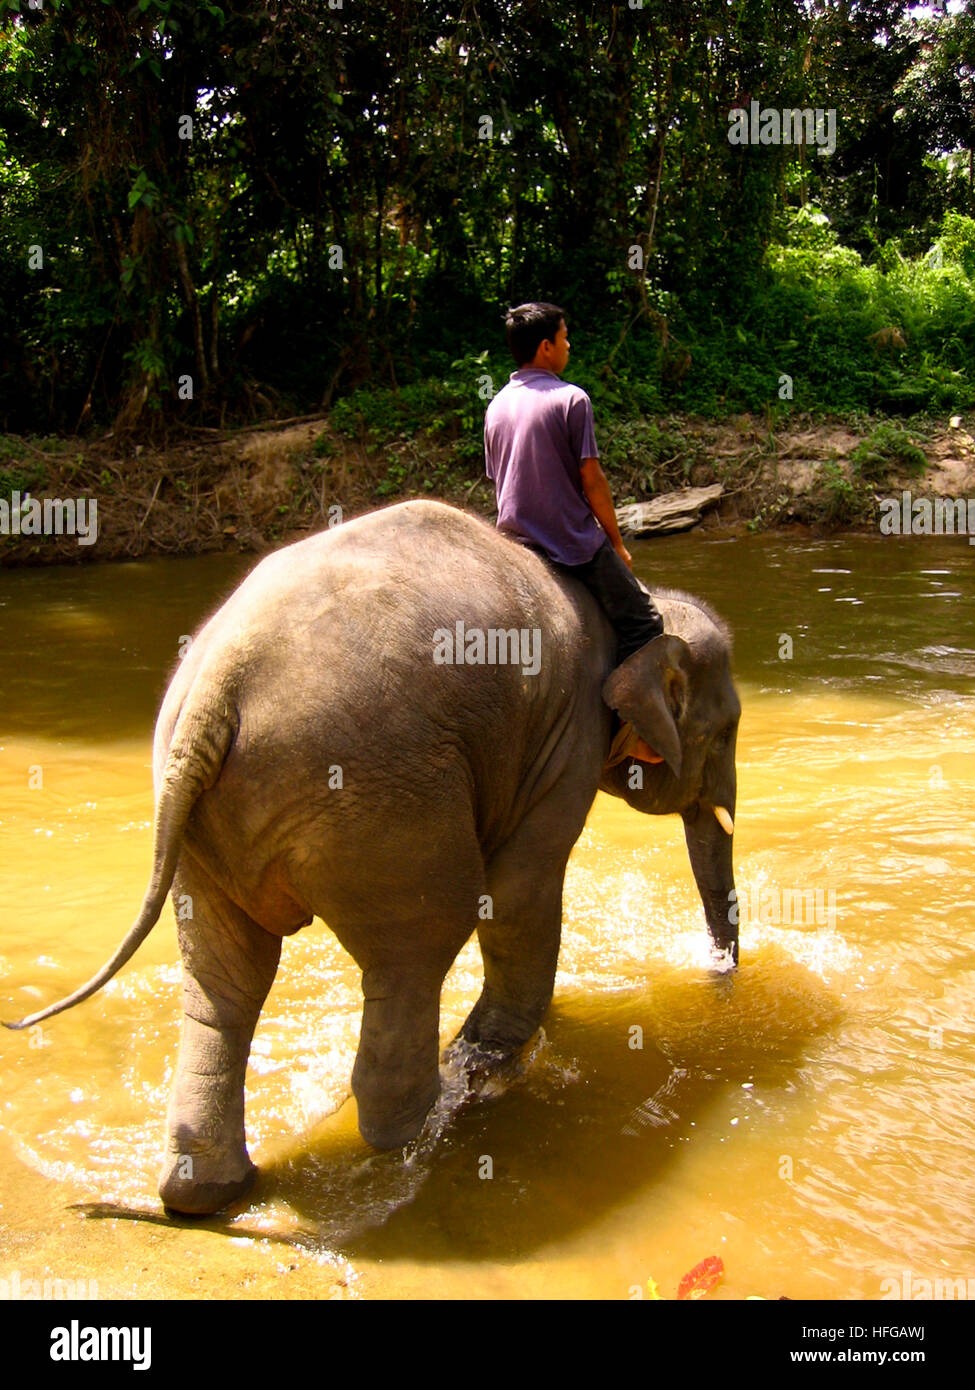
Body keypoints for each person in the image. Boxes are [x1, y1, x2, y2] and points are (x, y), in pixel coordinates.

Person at [484, 300, 665, 668]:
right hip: (569, 541)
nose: (569, 346)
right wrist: (615, 543)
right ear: (546, 347)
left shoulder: (496, 406)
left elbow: (499, 480)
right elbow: (592, 480)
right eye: (565, 338)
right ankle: (621, 723)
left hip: (512, 540)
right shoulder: (571, 399)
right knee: (644, 624)